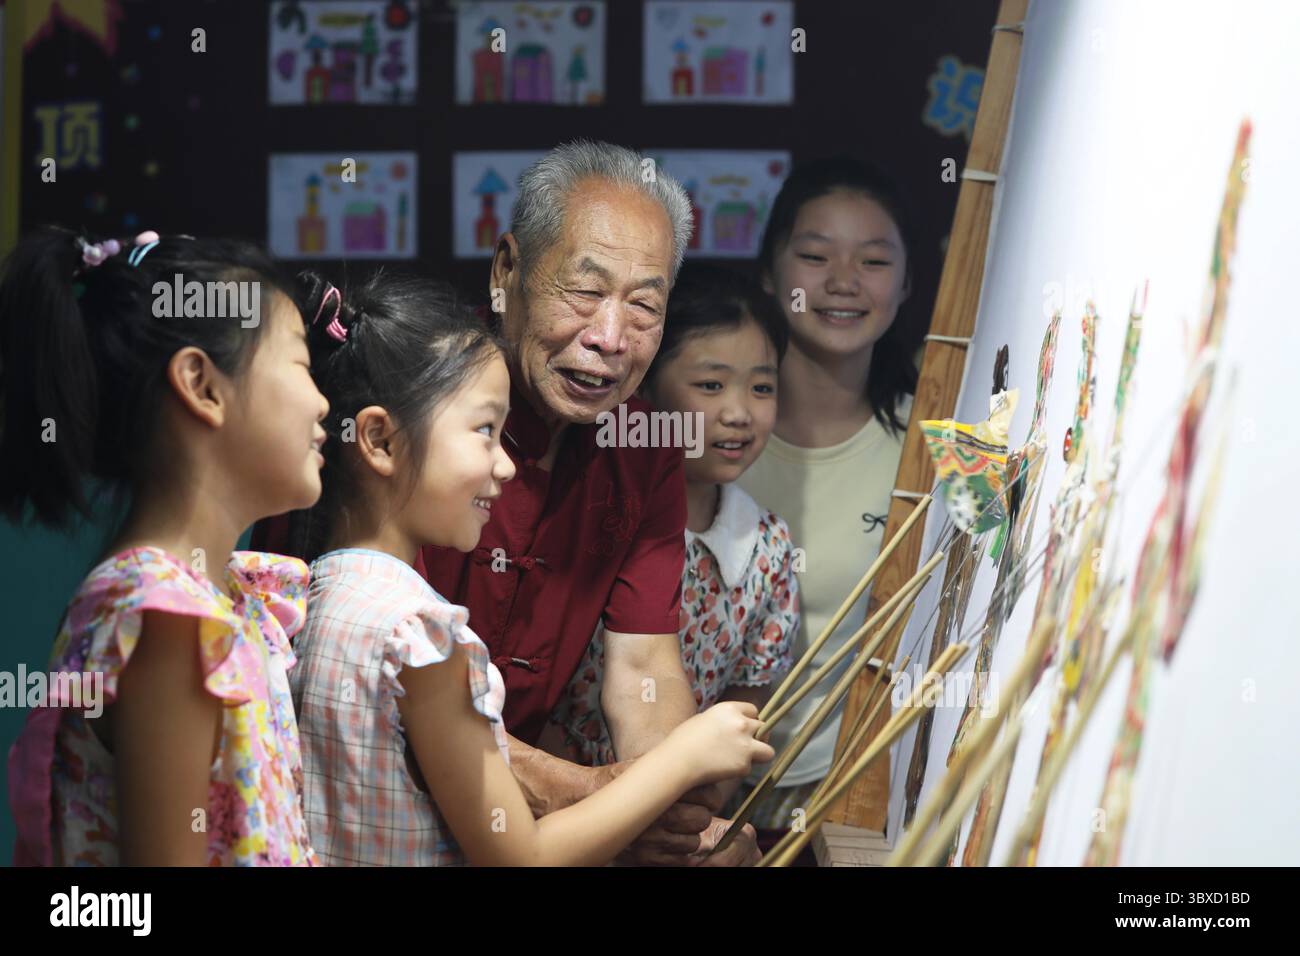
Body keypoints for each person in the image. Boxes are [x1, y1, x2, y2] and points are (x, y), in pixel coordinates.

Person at [284, 271, 773, 865]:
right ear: (381, 441)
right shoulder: (423, 639)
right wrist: (683, 758)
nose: (510, 467)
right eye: (486, 433)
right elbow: (523, 857)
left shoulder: (309, 597)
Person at [416, 141, 762, 864]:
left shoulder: (645, 447)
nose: (609, 339)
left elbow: (643, 671)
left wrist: (676, 817)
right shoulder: (418, 410)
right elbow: (393, 689)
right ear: (507, 271)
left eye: (644, 306)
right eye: (584, 291)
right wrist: (608, 794)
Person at [3, 227, 327, 865]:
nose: (323, 404)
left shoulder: (218, 601)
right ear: (203, 387)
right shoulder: (165, 620)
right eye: (302, 365)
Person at [544, 264, 800, 818]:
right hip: (558, 810)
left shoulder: (770, 549)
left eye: (762, 387)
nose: (738, 413)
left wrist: (684, 823)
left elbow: (742, 720)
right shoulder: (596, 516)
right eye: (710, 385)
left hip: (678, 822)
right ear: (647, 386)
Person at [730, 157, 919, 848]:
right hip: (702, 820)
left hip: (864, 818)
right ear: (770, 273)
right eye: (814, 255)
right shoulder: (698, 442)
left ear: (906, 285)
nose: (842, 282)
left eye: (872, 260)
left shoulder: (931, 446)